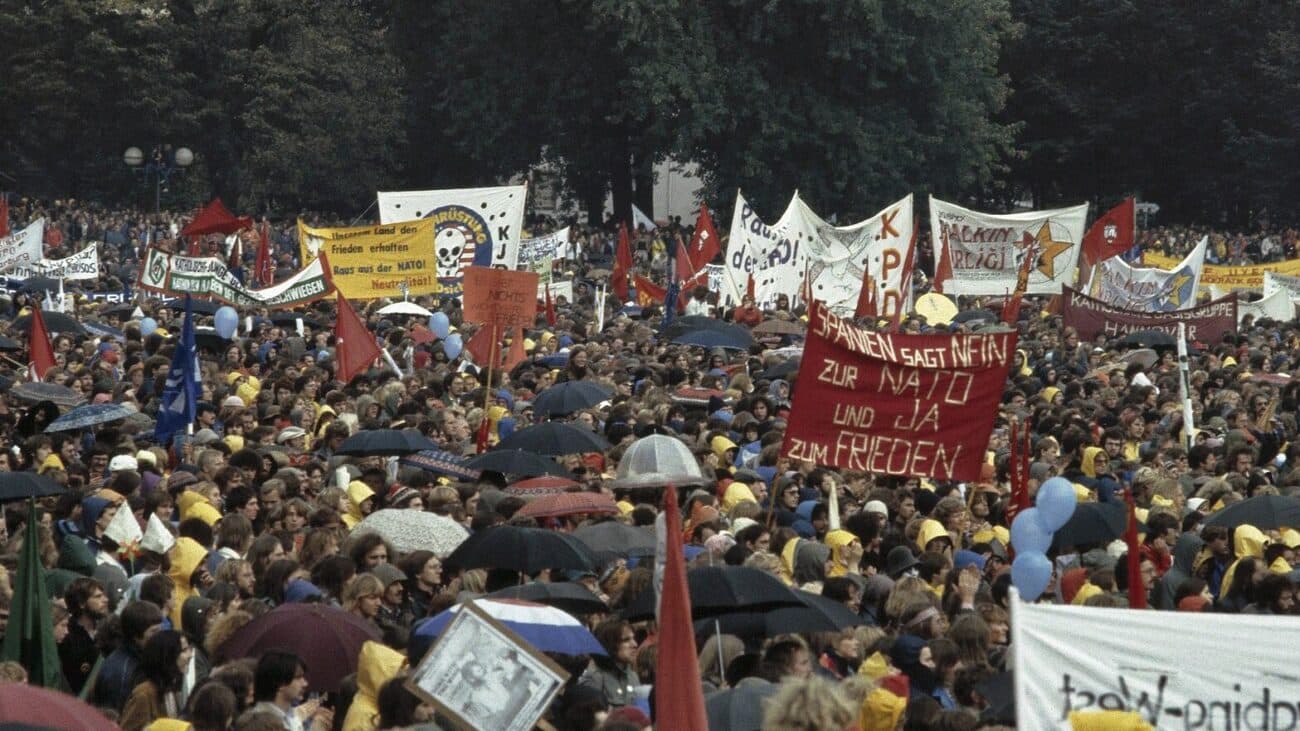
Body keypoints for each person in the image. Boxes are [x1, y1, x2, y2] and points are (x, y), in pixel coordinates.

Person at [118, 630, 193, 731]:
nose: (190, 655)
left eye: (189, 649)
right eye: (183, 650)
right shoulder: (144, 694)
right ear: (167, 656)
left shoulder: (172, 686)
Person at [249, 651, 332, 731]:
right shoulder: (259, 724)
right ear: (280, 683)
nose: (305, 683)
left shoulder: (290, 716)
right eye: (298, 677)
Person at [579, 620, 640, 706]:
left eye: (633, 638)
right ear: (610, 644)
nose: (635, 644)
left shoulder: (633, 676)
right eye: (626, 640)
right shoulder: (595, 677)